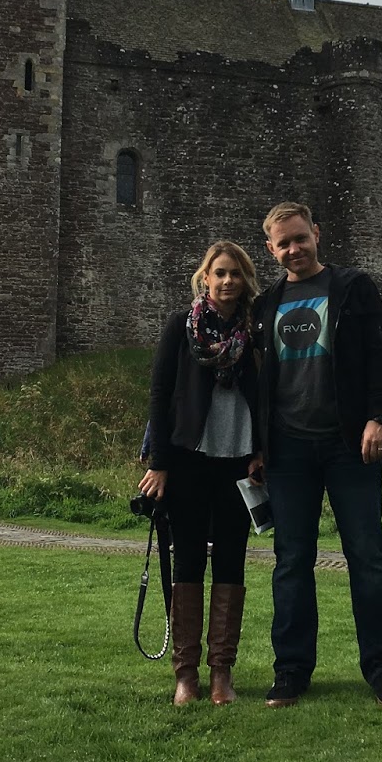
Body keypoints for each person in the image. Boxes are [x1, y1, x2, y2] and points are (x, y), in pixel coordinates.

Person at [252, 201, 382, 708]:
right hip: (288, 449)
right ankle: (291, 671)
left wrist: (378, 416)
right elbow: (257, 380)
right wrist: (257, 447)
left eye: (300, 238)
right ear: (271, 249)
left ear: (316, 233)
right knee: (290, 561)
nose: (293, 249)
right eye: (283, 243)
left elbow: (380, 353)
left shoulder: (352, 287)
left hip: (348, 444)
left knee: (367, 557)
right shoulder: (265, 304)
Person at [139, 241, 264, 705]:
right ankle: (185, 676)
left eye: (236, 273)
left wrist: (262, 451)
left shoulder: (255, 332)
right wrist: (161, 464)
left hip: (237, 461)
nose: (228, 281)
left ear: (245, 279)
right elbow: (159, 394)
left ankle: (221, 675)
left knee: (231, 563)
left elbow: (268, 394)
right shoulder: (181, 327)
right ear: (205, 278)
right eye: (220, 273)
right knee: (188, 562)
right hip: (189, 458)